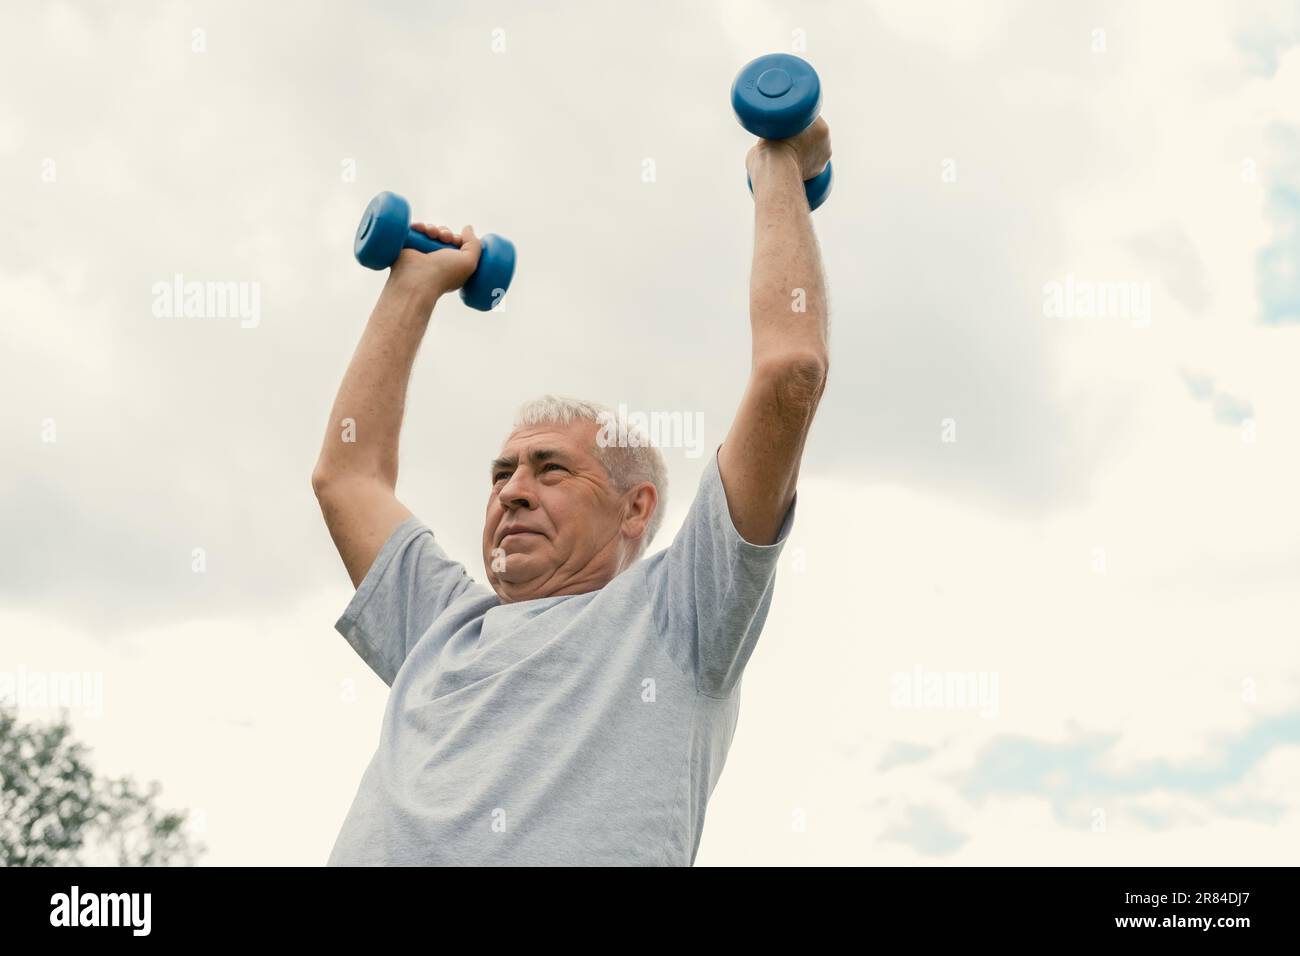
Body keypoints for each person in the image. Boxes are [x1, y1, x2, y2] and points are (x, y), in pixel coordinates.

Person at [311, 118, 832, 865]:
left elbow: (790, 372)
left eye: (550, 469)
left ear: (636, 507)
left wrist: (779, 163)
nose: (513, 493)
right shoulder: (442, 628)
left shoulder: (679, 615)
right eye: (502, 474)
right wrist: (413, 286)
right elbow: (347, 476)